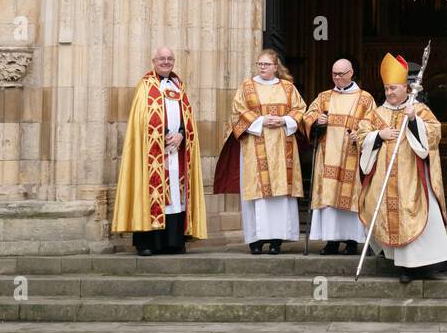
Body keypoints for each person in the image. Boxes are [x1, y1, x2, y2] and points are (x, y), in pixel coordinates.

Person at [356, 53, 447, 283]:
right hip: (386, 179)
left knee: (413, 213)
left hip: (413, 178)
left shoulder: (419, 110)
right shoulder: (377, 114)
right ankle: (401, 264)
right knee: (392, 214)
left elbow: (434, 134)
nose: (389, 93)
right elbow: (361, 136)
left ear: (405, 88)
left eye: (394, 89)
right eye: (387, 89)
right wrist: (379, 135)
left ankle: (419, 266)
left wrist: (412, 121)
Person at [111, 46, 207, 255]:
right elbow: (142, 120)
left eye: (169, 58)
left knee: (175, 195)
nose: (166, 62)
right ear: (153, 61)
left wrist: (181, 134)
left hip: (176, 151)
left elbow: (186, 117)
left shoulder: (179, 86)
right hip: (153, 152)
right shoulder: (145, 86)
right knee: (153, 193)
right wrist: (162, 135)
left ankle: (173, 242)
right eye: (161, 58)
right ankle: (147, 243)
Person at [214, 48, 307, 254]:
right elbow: (237, 112)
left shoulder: (288, 88)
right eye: (260, 64)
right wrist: (262, 120)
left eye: (267, 64)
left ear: (276, 67)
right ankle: (255, 240)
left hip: (283, 147)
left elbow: (300, 109)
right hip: (254, 146)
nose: (263, 68)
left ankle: (276, 240)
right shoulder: (247, 88)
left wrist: (284, 120)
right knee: (258, 194)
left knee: (280, 195)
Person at [302, 58, 372, 255]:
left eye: (341, 74)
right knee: (329, 199)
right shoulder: (324, 97)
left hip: (351, 155)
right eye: (334, 74)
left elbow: (373, 123)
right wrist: (317, 120)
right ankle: (331, 241)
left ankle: (351, 241)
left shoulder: (365, 99)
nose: (337, 78)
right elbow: (307, 117)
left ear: (351, 73)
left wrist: (359, 134)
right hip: (327, 155)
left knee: (350, 199)